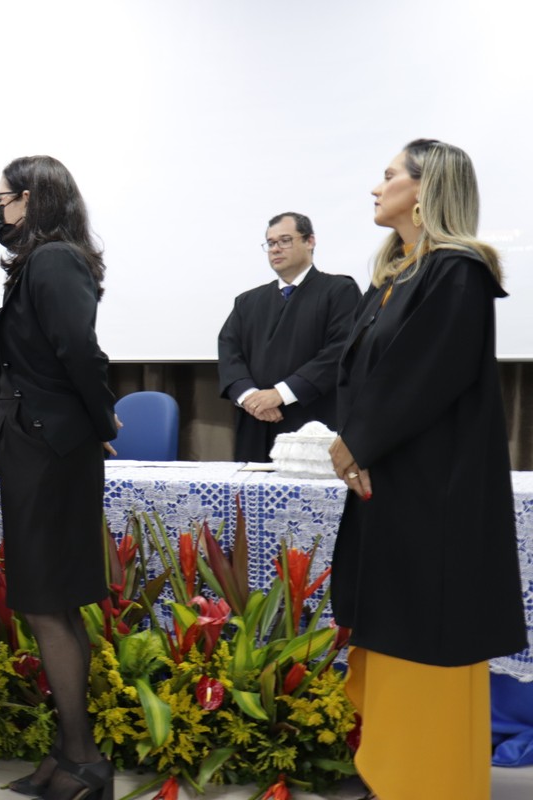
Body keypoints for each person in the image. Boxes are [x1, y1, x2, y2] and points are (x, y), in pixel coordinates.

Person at [328, 139, 526, 799]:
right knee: (391, 626)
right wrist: (353, 439)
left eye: (388, 176)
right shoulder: (397, 273)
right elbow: (357, 370)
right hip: (392, 491)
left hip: (434, 499)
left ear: (424, 188)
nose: (376, 187)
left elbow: (425, 375)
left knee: (427, 631)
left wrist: (357, 441)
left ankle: (429, 779)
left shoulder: (457, 272)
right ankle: (389, 771)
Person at [0, 156, 117, 800]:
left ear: (33, 200)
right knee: (52, 604)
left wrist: (103, 420)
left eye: (4, 199)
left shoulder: (54, 261)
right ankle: (72, 756)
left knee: (47, 605)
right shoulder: (41, 263)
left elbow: (80, 350)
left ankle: (83, 761)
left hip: (49, 453)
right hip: (40, 450)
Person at [217, 212, 361, 462]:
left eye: (284, 240)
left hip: (311, 423)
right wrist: (249, 397)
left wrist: (280, 394)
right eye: (271, 243)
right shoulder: (248, 301)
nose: (276, 249)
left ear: (310, 241)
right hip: (255, 424)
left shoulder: (339, 291)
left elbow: (339, 351)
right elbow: (230, 352)